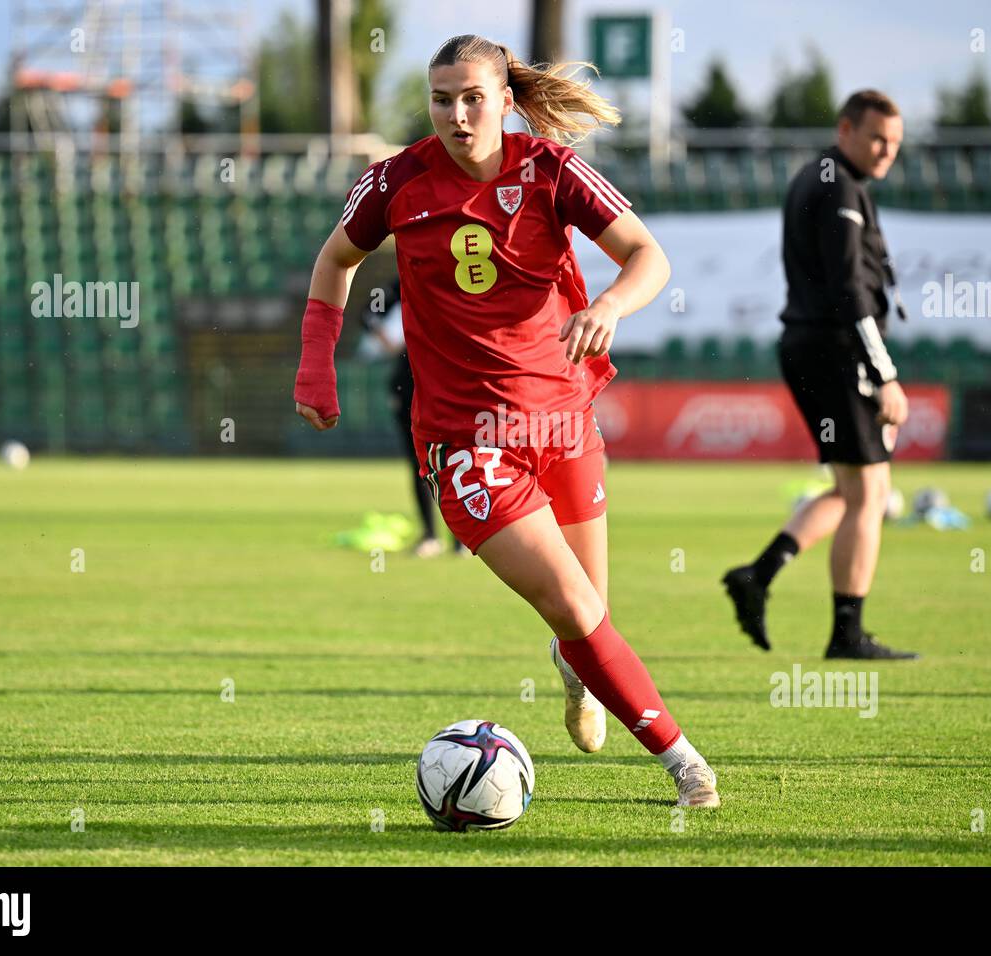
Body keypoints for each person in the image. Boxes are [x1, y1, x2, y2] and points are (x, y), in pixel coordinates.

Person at [293, 34, 720, 806]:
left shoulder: (551, 171)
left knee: (589, 615)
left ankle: (576, 669)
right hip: (467, 445)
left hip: (564, 422)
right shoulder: (394, 181)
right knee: (576, 607)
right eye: (440, 99)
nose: (455, 115)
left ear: (505, 101)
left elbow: (647, 255)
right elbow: (335, 262)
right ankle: (684, 763)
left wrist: (611, 306)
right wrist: (315, 363)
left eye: (472, 98)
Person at [723, 90, 919, 661]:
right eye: (878, 138)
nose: (887, 151)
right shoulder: (838, 185)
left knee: (852, 489)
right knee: (869, 491)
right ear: (846, 129)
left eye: (896, 143)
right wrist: (885, 373)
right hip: (834, 353)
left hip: (814, 349)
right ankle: (846, 633)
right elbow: (847, 291)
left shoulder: (828, 177)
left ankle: (758, 575)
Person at [358, 277, 468, 558]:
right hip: (410, 382)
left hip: (450, 381)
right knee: (419, 462)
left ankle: (461, 537)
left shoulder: (457, 274)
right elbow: (367, 313)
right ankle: (431, 535)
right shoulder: (406, 279)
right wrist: (389, 342)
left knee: (456, 460)